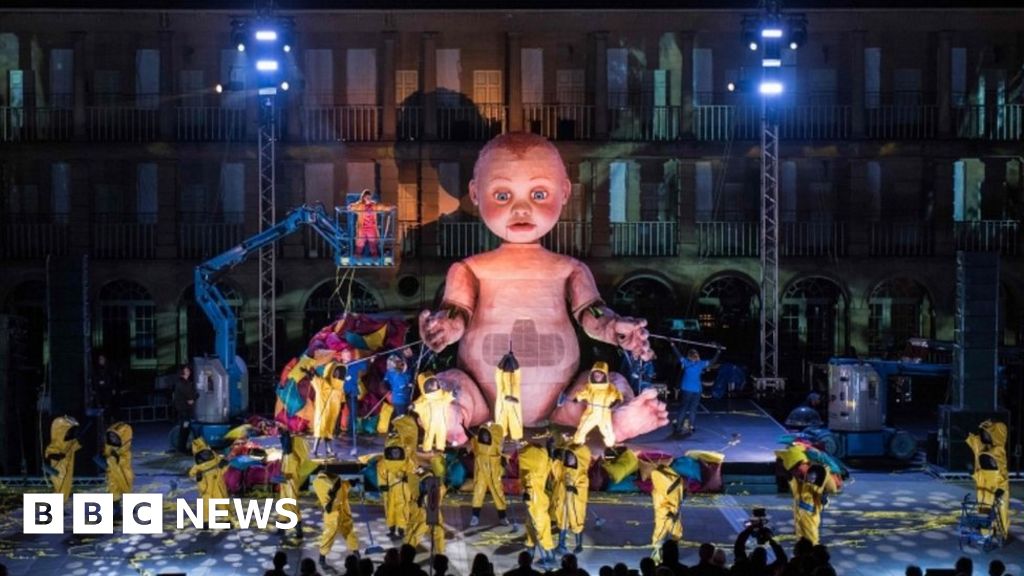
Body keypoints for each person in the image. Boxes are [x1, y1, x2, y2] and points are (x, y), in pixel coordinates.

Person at [417, 132, 667, 448]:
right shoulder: (469, 269)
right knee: (445, 387)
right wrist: (441, 329)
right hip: (482, 398)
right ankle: (451, 419)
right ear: (475, 194)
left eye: (538, 195)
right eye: (502, 196)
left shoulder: (570, 269)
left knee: (609, 385)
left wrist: (614, 327)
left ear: (564, 192)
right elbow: (456, 314)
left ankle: (617, 421)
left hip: (560, 401)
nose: (521, 210)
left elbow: (592, 314)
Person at [669, 344, 720, 437]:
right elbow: (713, 361)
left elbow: (678, 354)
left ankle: (678, 427)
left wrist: (673, 345)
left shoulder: (686, 362)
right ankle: (691, 426)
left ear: (689, 355)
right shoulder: (701, 364)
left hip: (686, 389)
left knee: (683, 408)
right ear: (697, 356)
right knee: (693, 409)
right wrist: (718, 351)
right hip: (696, 390)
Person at [312, 472, 359, 567]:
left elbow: (345, 485)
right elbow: (328, 508)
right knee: (329, 536)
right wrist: (332, 497)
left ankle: (356, 553)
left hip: (344, 513)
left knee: (349, 532)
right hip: (332, 517)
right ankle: (322, 558)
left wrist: (352, 482)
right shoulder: (320, 483)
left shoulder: (339, 481)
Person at [519, 444, 555, 566]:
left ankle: (549, 558)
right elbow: (548, 467)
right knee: (532, 531)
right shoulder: (540, 472)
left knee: (540, 532)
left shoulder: (531, 477)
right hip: (538, 505)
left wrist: (526, 496)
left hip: (536, 506)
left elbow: (530, 492)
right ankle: (532, 556)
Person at [572, 362, 622, 447]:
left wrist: (616, 402)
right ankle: (577, 444)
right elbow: (583, 393)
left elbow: (617, 396)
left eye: (600, 374)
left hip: (604, 415)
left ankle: (611, 447)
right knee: (582, 429)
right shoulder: (589, 387)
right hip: (591, 413)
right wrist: (577, 398)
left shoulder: (610, 388)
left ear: (604, 375)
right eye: (595, 374)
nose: (597, 376)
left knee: (608, 432)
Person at [469, 421, 509, 527]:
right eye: (484, 435)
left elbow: (502, 452)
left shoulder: (496, 447)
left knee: (498, 493)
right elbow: (471, 437)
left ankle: (503, 517)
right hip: (481, 473)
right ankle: (475, 516)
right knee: (478, 492)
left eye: (487, 435)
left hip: (494, 474)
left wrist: (504, 461)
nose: (485, 437)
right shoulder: (478, 444)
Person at [412, 374, 454, 452]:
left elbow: (448, 397)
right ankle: (427, 448)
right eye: (430, 385)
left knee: (441, 434)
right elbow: (418, 405)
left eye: (434, 384)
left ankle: (440, 448)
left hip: (442, 422)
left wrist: (453, 394)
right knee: (429, 435)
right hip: (430, 422)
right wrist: (413, 406)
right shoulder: (424, 399)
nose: (433, 387)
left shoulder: (442, 396)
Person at [311, 361, 345, 458]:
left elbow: (342, 400)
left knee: (328, 432)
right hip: (322, 412)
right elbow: (316, 380)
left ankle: (328, 450)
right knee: (319, 431)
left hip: (332, 413)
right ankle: (315, 449)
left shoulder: (339, 388)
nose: (337, 374)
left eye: (339, 372)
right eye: (335, 372)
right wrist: (311, 374)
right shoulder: (324, 385)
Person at [44, 415, 81, 502]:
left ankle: (60, 507)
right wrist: (59, 456)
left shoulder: (71, 443)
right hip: (58, 473)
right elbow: (49, 455)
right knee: (59, 489)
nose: (70, 433)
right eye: (68, 431)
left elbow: (77, 445)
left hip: (67, 472)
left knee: (65, 489)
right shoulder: (54, 445)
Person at [339, 347, 369, 457]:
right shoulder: (340, 366)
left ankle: (351, 432)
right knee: (346, 412)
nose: (348, 356)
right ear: (342, 357)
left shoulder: (354, 364)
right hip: (341, 393)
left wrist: (368, 360)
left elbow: (364, 366)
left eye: (349, 355)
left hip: (353, 392)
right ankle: (347, 431)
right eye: (346, 355)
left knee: (354, 412)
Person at [101, 422, 134, 515]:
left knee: (126, 489)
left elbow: (124, 462)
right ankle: (116, 509)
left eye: (115, 437)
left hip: (124, 474)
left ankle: (130, 506)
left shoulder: (125, 451)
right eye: (111, 437)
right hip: (112, 474)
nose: (113, 439)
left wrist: (117, 455)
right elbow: (106, 455)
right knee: (113, 490)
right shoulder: (109, 448)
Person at [348, 189, 389, 258]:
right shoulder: (360, 205)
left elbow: (381, 207)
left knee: (372, 241)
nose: (369, 199)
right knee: (360, 241)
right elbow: (354, 206)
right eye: (367, 197)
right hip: (362, 227)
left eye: (369, 197)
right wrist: (350, 206)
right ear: (364, 198)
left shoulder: (373, 205)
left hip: (371, 227)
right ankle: (358, 254)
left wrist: (389, 208)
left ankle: (374, 255)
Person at [494, 349, 524, 442]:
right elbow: (498, 370)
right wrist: (505, 358)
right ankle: (500, 446)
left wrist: (512, 358)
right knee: (500, 425)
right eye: (507, 365)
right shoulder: (501, 377)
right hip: (502, 405)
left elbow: (517, 369)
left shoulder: (515, 378)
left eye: (510, 365)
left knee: (516, 425)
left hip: (514, 406)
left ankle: (517, 445)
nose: (509, 366)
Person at [172, 364, 197, 453]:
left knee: (185, 430)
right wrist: (194, 397)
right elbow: (191, 398)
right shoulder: (182, 384)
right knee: (184, 430)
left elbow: (191, 398)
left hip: (186, 411)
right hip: (184, 411)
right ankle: (181, 449)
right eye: (186, 370)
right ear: (182, 372)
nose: (188, 372)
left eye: (189, 370)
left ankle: (182, 449)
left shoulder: (186, 383)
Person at [384, 347, 416, 417]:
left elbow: (386, 380)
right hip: (401, 401)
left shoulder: (390, 370)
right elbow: (408, 380)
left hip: (397, 399)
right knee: (403, 417)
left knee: (404, 416)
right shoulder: (401, 377)